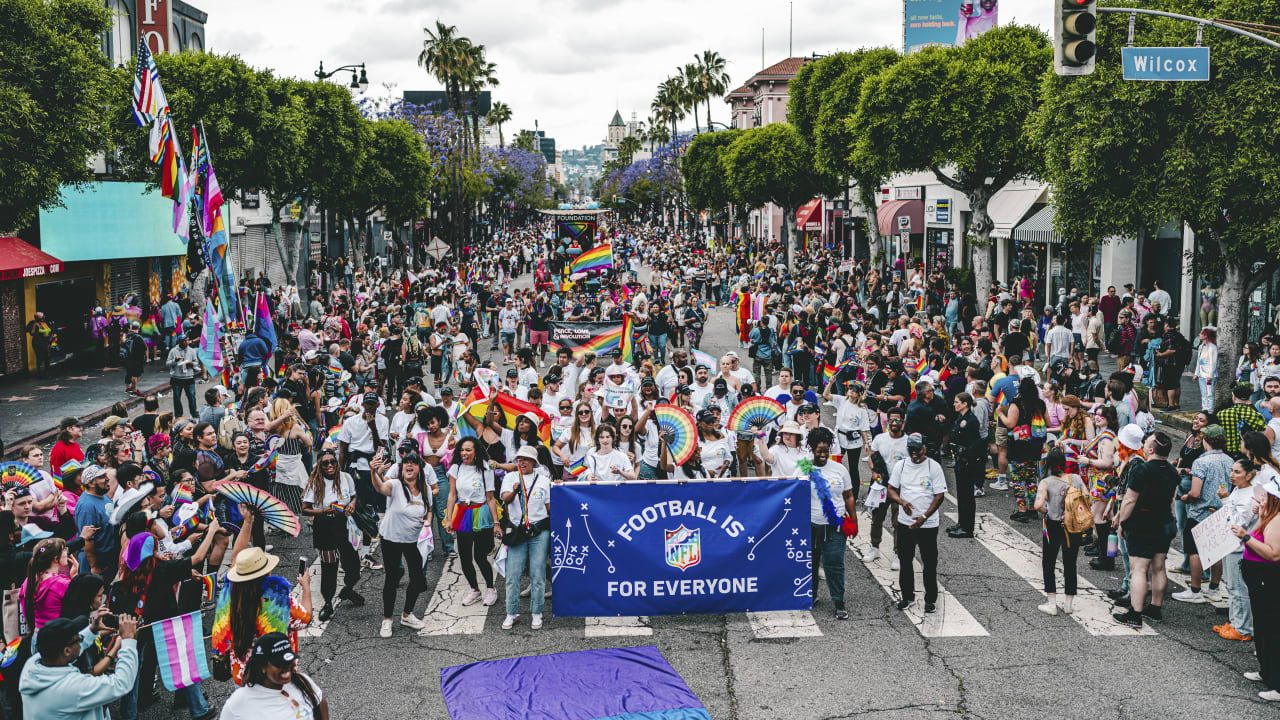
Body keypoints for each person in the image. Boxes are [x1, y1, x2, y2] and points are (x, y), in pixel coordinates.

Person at [1113, 432, 1178, 628]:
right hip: (1164, 521)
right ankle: (1155, 609)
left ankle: (1135, 614)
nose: (1143, 443)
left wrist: (1122, 522)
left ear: (1150, 449)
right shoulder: (1172, 471)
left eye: (1146, 441)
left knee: (1139, 570)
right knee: (1159, 568)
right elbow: (1172, 500)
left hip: (1142, 523)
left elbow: (1130, 499)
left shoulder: (1141, 470)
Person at [19, 614, 141, 720]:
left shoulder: (31, 665)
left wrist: (92, 630)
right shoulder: (72, 688)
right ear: (67, 651)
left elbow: (71, 648)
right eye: (78, 639)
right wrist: (128, 641)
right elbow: (121, 683)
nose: (81, 640)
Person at [368, 453, 433, 637]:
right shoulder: (395, 485)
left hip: (413, 540)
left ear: (419, 468)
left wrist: (427, 522)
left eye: (413, 463)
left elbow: (429, 510)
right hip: (391, 539)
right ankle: (387, 620)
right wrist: (374, 471)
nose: (409, 466)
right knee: (392, 578)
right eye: (406, 463)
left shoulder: (426, 489)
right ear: (402, 468)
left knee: (418, 579)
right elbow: (380, 487)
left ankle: (407, 614)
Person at [887, 433, 947, 613]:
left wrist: (924, 518)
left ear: (924, 449)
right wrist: (902, 502)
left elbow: (939, 496)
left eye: (917, 450)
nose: (914, 454)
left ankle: (930, 599)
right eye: (911, 450)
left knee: (929, 562)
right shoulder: (901, 465)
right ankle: (907, 597)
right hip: (905, 523)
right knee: (905, 561)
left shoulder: (933, 467)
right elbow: (891, 489)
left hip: (927, 525)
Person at [300, 449, 362, 622]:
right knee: (330, 567)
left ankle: (348, 589)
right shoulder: (315, 483)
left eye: (332, 462)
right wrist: (322, 511)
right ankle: (327, 603)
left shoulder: (346, 477)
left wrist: (352, 505)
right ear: (319, 465)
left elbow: (354, 495)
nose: (329, 466)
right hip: (324, 526)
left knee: (353, 565)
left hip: (343, 524)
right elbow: (304, 509)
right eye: (325, 463)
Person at [1171, 424, 1230, 604]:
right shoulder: (1229, 460)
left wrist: (1185, 497)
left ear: (1206, 440)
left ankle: (1195, 590)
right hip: (1220, 510)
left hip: (1200, 512)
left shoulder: (1201, 462)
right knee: (1217, 550)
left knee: (1194, 551)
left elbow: (1196, 493)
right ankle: (1214, 588)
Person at [500, 446, 552, 630]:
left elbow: (548, 508)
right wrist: (514, 491)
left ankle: (537, 613)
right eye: (519, 459)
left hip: (539, 531)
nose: (522, 462)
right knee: (513, 574)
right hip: (518, 531)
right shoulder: (510, 477)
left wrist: (560, 492)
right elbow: (505, 499)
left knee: (538, 574)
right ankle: (511, 612)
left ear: (533, 462)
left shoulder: (544, 480)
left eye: (526, 459)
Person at [218, 632, 329, 720]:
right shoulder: (238, 703)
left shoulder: (301, 682)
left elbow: (320, 701)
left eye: (289, 660)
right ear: (262, 666)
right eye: (279, 663)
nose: (287, 667)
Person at [805, 428, 855, 619]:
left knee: (834, 564)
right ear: (812, 449)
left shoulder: (839, 469)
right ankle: (811, 596)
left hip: (835, 526)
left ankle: (838, 602)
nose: (823, 454)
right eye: (819, 451)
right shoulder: (803, 469)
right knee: (810, 563)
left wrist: (854, 520)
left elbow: (848, 495)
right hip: (810, 525)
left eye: (826, 450)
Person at [446, 437, 501, 607]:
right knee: (464, 556)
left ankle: (491, 589)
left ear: (476, 451)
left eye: (468, 450)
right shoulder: (456, 468)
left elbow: (490, 498)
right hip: (462, 513)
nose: (464, 453)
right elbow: (452, 494)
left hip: (480, 512)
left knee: (480, 556)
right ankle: (474, 589)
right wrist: (449, 519)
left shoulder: (485, 468)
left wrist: (496, 523)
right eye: (462, 450)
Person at [1033, 448, 1086, 616]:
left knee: (1049, 563)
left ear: (1048, 464)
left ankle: (1052, 604)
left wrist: (1046, 511)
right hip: (1073, 526)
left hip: (1053, 525)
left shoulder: (1046, 482)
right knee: (1070, 563)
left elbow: (1037, 505)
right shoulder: (1076, 479)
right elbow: (1087, 497)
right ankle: (1069, 604)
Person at [1215, 458, 1259, 642]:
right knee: (1231, 586)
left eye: (1238, 472)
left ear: (1249, 475)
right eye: (1232, 471)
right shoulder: (1239, 489)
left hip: (1239, 547)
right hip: (1230, 544)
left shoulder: (1250, 496)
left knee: (1238, 588)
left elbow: (1237, 523)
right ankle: (1234, 622)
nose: (1232, 475)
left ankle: (1243, 628)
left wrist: (1225, 500)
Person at [948, 392, 985, 538]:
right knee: (961, 495)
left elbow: (973, 444)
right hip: (960, 460)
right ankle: (961, 523)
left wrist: (964, 453)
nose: (955, 404)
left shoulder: (971, 420)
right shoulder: (961, 418)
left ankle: (967, 528)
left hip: (967, 462)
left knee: (967, 496)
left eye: (957, 402)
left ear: (965, 404)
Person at [166, 335, 200, 417]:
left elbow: (196, 362)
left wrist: (191, 363)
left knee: (191, 396)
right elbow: (167, 363)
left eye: (187, 340)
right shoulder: (173, 351)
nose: (186, 342)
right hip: (176, 377)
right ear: (180, 342)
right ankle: (178, 414)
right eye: (184, 341)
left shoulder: (192, 351)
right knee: (177, 397)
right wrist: (175, 360)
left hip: (189, 377)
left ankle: (194, 413)